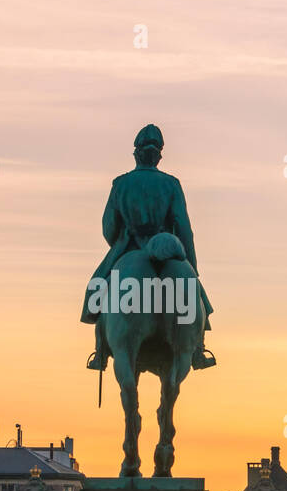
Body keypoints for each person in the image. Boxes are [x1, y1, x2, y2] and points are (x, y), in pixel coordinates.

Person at [82, 124, 215, 372]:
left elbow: (108, 228)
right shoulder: (171, 184)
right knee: (197, 297)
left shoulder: (120, 184)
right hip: (169, 250)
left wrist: (122, 241)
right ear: (159, 156)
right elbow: (184, 229)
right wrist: (192, 267)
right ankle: (198, 352)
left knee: (97, 289)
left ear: (136, 154)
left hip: (129, 246)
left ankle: (100, 352)